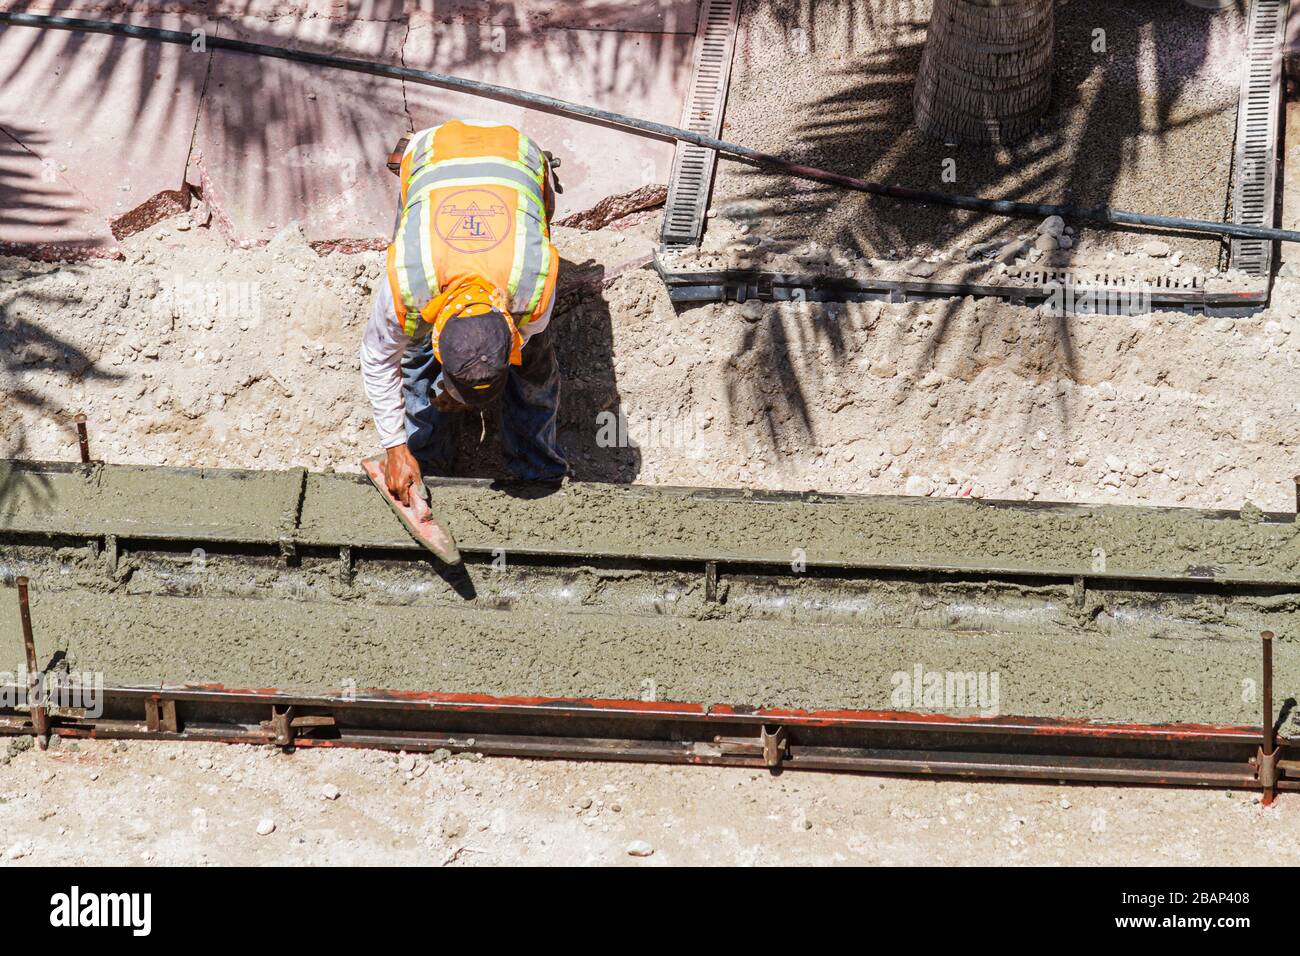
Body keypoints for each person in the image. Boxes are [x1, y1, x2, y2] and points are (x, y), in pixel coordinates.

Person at [360, 119, 567, 505]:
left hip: (519, 155)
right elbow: (377, 359)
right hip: (433, 153)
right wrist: (394, 447)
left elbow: (512, 345)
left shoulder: (532, 287)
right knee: (414, 355)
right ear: (439, 331)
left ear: (511, 325)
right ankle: (427, 459)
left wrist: (466, 386)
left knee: (534, 369)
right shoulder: (409, 282)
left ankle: (536, 469)